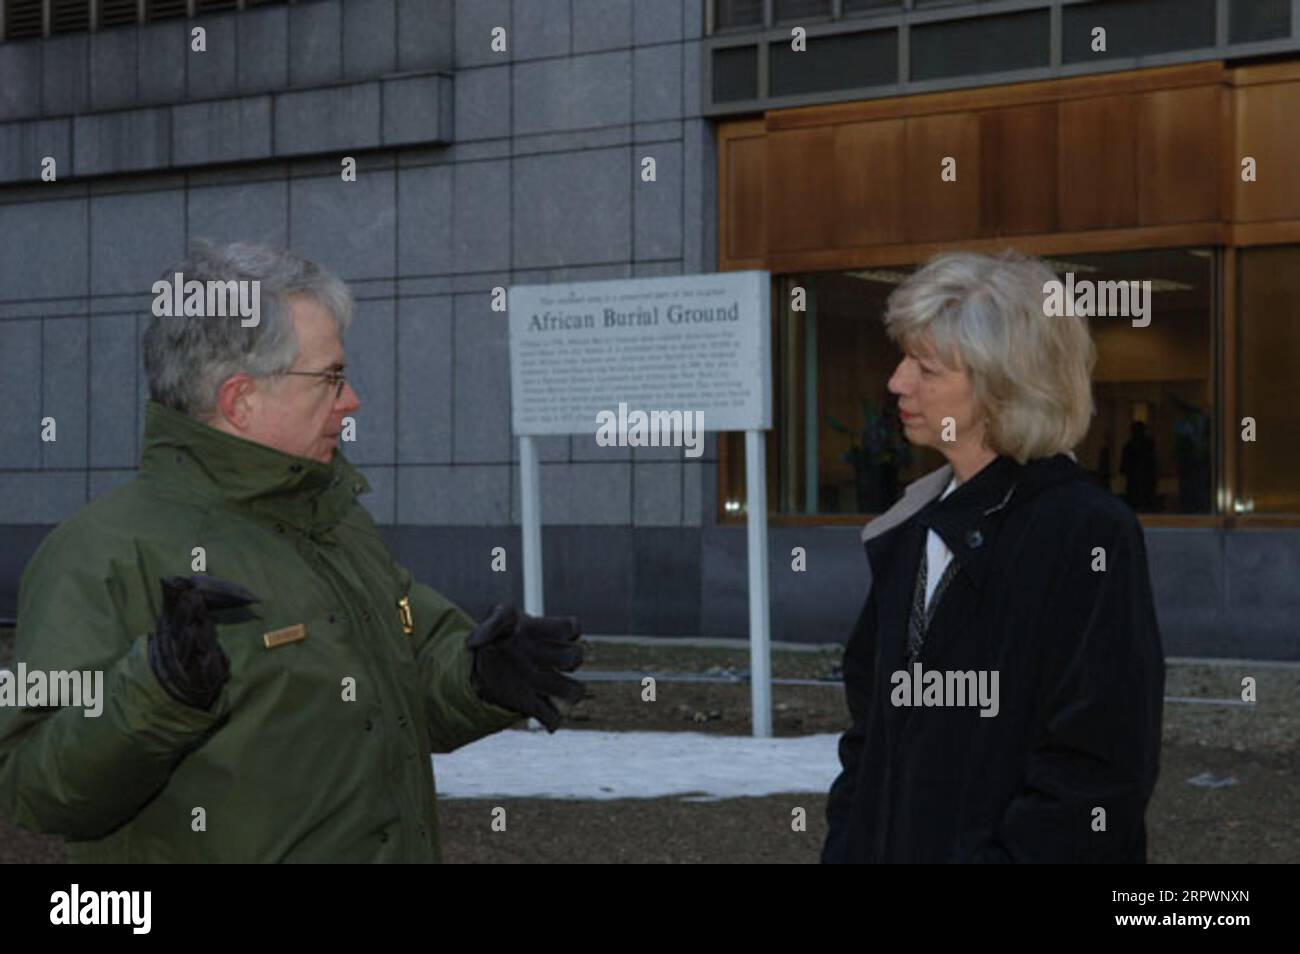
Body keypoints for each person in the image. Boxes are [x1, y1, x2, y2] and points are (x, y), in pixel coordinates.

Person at [0, 241, 584, 863]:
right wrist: (155, 693)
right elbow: (34, 787)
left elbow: (408, 678)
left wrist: (479, 678)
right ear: (241, 399)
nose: (351, 399)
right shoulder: (103, 554)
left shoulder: (331, 518)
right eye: (330, 377)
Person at [822, 251, 1165, 863]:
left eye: (925, 367)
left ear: (1001, 386)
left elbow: (1095, 773)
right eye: (904, 358)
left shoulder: (1085, 533)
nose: (898, 382)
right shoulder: (911, 526)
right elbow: (871, 738)